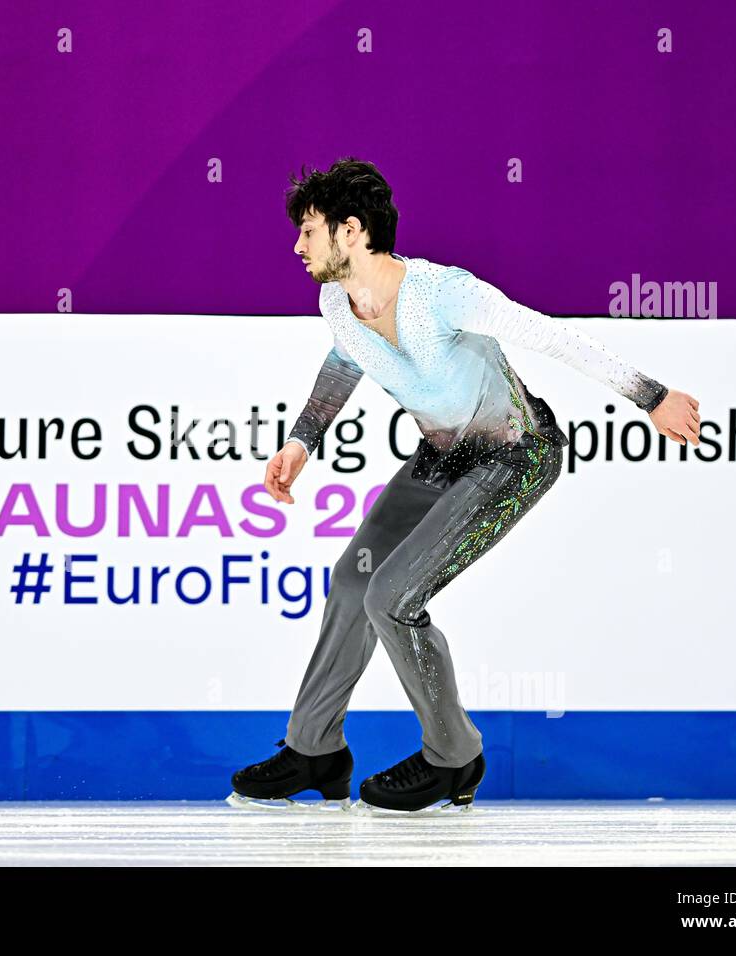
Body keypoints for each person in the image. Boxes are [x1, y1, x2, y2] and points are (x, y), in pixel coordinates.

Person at [228, 158, 701, 813]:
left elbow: (549, 336)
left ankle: (454, 757)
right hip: (441, 456)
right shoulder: (336, 301)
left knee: (392, 597)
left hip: (514, 459)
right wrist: (302, 439)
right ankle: (315, 749)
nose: (297, 246)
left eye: (309, 231)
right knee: (355, 581)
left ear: (352, 231)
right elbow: (344, 361)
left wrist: (651, 396)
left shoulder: (442, 292)